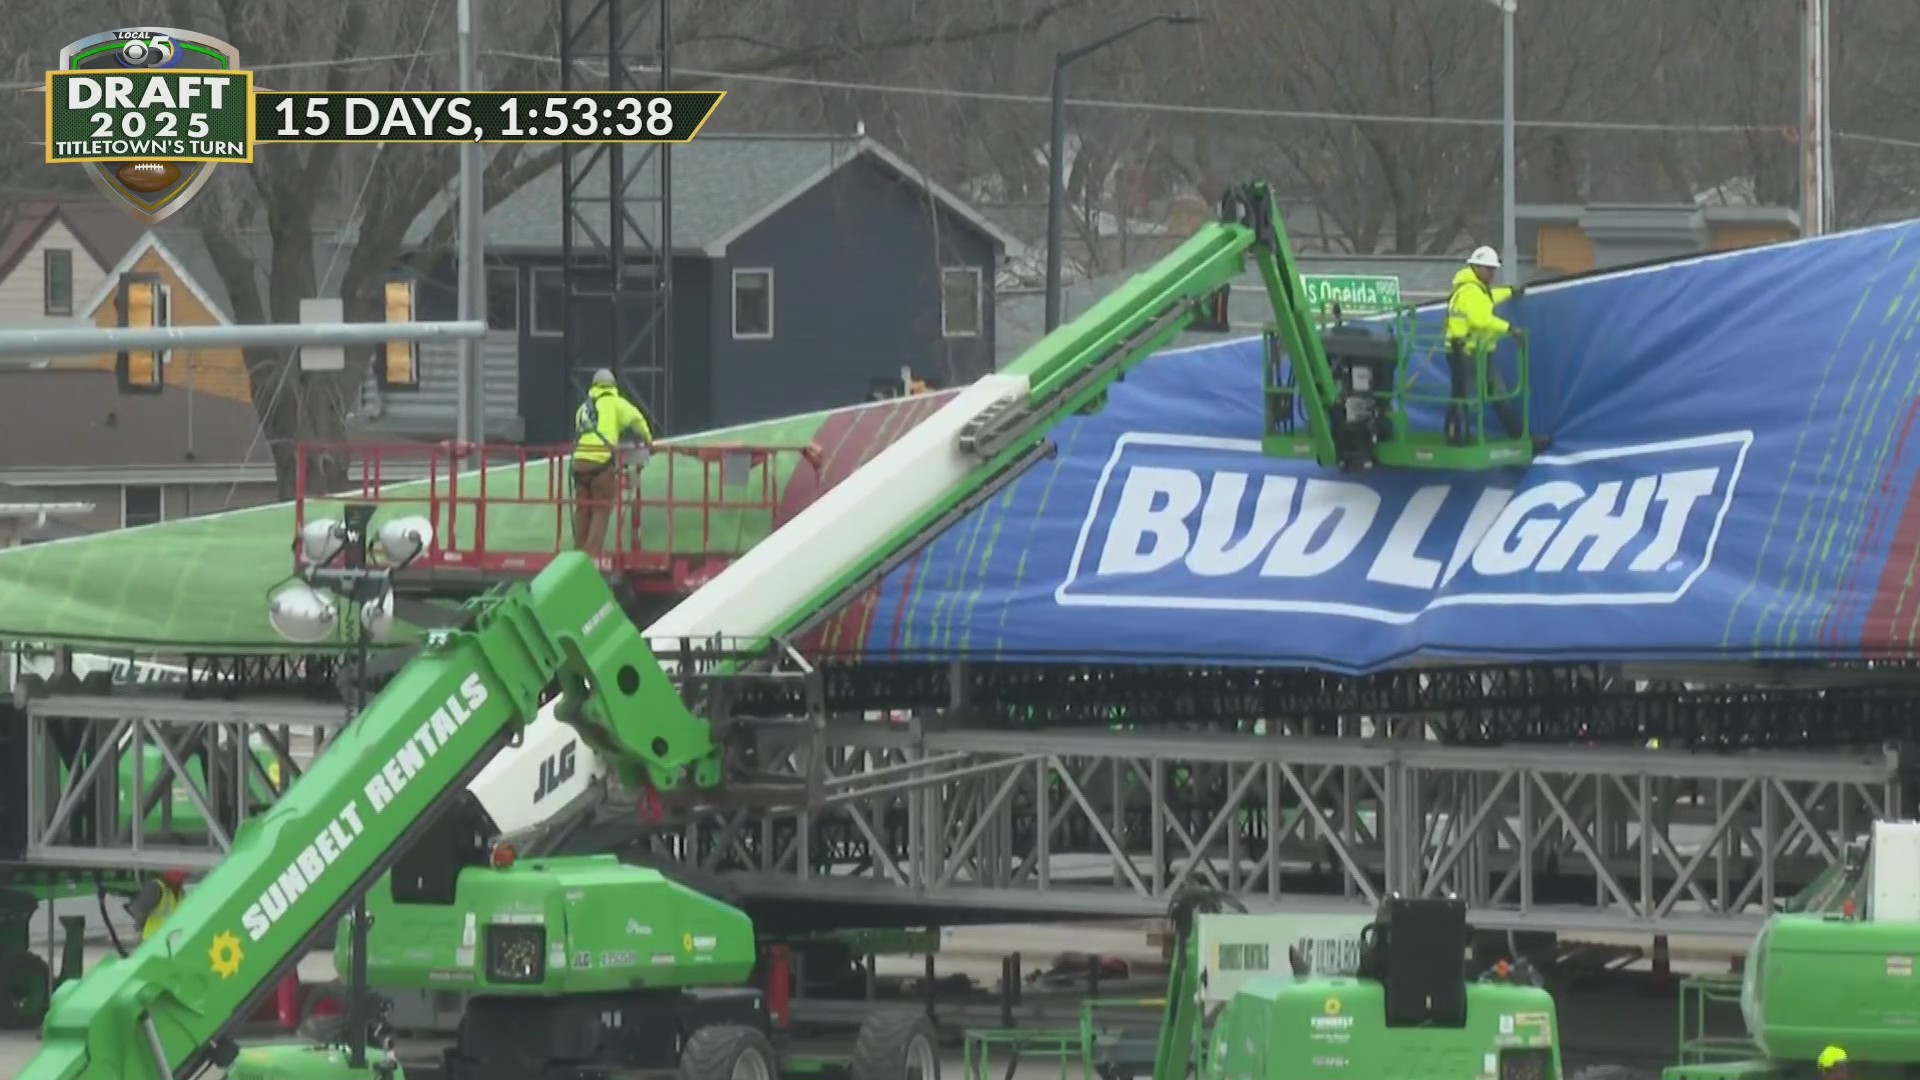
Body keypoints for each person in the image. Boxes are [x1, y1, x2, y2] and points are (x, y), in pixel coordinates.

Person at [1444, 246, 1548, 453]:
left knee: (1469, 395)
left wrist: (1510, 291)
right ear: (1476, 267)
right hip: (1466, 352)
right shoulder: (1471, 291)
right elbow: (1481, 319)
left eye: (1493, 269)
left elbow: (1490, 298)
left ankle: (1459, 436)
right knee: (1467, 396)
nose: (1492, 274)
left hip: (1473, 351)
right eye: (1488, 269)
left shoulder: (1474, 288)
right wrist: (1511, 329)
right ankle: (1458, 436)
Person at [571, 368, 653, 559]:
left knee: (583, 510)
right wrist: (648, 441)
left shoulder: (583, 408)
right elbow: (637, 418)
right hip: (601, 463)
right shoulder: (616, 404)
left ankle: (576, 555)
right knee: (601, 509)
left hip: (579, 463)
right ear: (613, 386)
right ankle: (590, 558)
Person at [128, 868, 188, 944]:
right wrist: (139, 929)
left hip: (172, 941)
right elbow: (139, 909)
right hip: (153, 940)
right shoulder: (156, 888)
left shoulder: (180, 893)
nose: (182, 879)